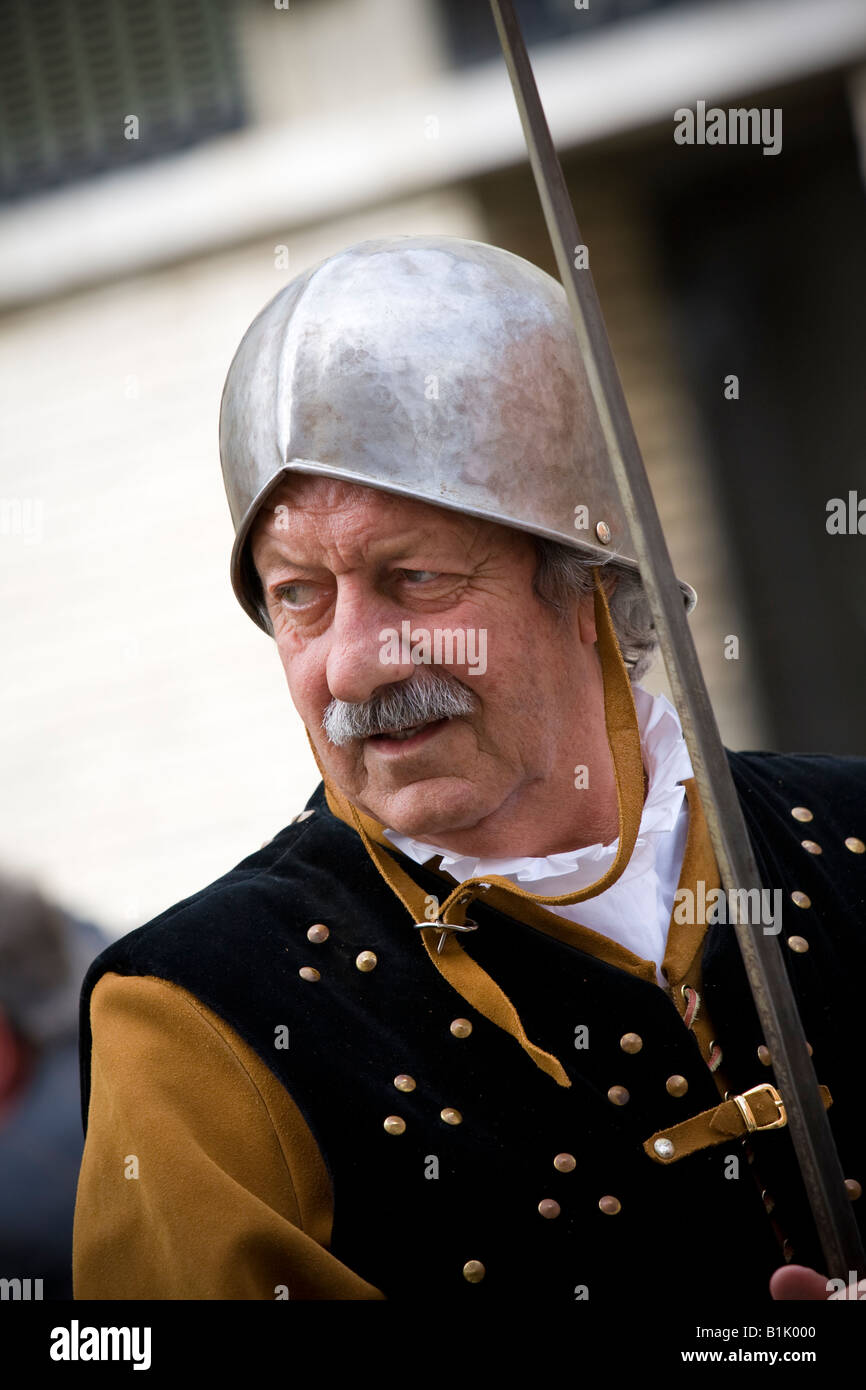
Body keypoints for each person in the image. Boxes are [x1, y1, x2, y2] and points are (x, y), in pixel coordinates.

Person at [73, 236, 866, 1302]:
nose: (351, 663)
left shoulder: (849, 829)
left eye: (416, 577)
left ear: (584, 586)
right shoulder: (190, 1018)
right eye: (299, 594)